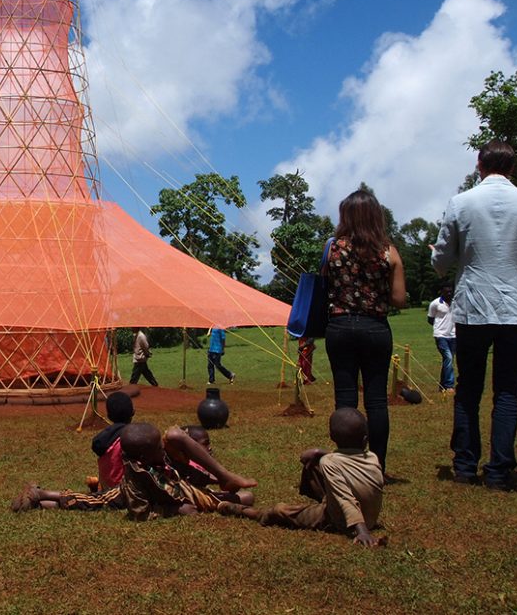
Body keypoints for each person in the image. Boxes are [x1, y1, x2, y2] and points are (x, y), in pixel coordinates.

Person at [433, 140, 517, 491]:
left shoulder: (461, 203)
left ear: (479, 165)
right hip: (514, 306)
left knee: (468, 388)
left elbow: (443, 260)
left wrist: (440, 258)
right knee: (507, 390)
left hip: (474, 306)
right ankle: (499, 471)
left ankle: (465, 465)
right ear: (512, 168)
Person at [323, 188, 406, 472]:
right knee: (376, 400)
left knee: (345, 398)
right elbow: (399, 298)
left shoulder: (332, 249)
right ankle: (377, 467)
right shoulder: (388, 252)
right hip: (375, 328)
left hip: (340, 326)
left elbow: (324, 286)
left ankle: (347, 465)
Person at [243, 408, 385, 546]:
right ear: (366, 439)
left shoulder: (329, 462)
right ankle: (327, 503)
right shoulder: (372, 457)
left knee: (280, 510)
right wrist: (319, 452)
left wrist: (362, 531)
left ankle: (244, 511)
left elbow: (346, 498)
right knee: (315, 464)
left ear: (332, 437)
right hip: (370, 519)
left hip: (343, 521)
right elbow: (346, 462)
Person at [10, 391, 136, 513]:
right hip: (119, 489)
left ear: (108, 416)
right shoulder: (131, 438)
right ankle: (41, 493)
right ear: (133, 412)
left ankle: (41, 504)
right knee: (93, 501)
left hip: (108, 486)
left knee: (92, 502)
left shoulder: (106, 438)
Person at [117, 422, 256, 520]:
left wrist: (215, 478)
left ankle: (224, 476)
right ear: (144, 458)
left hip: (188, 487)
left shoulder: (157, 456)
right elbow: (140, 513)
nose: (163, 449)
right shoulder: (133, 481)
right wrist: (174, 511)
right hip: (187, 497)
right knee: (247, 497)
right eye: (160, 448)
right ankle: (222, 483)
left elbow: (174, 445)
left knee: (174, 434)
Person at [428, 286, 456, 394]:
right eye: (446, 292)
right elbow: (430, 319)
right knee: (448, 357)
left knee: (448, 360)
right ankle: (449, 385)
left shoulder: (456, 302)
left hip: (453, 335)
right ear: (442, 292)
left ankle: (442, 385)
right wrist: (439, 328)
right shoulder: (435, 303)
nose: (449, 294)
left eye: (450, 292)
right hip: (441, 335)